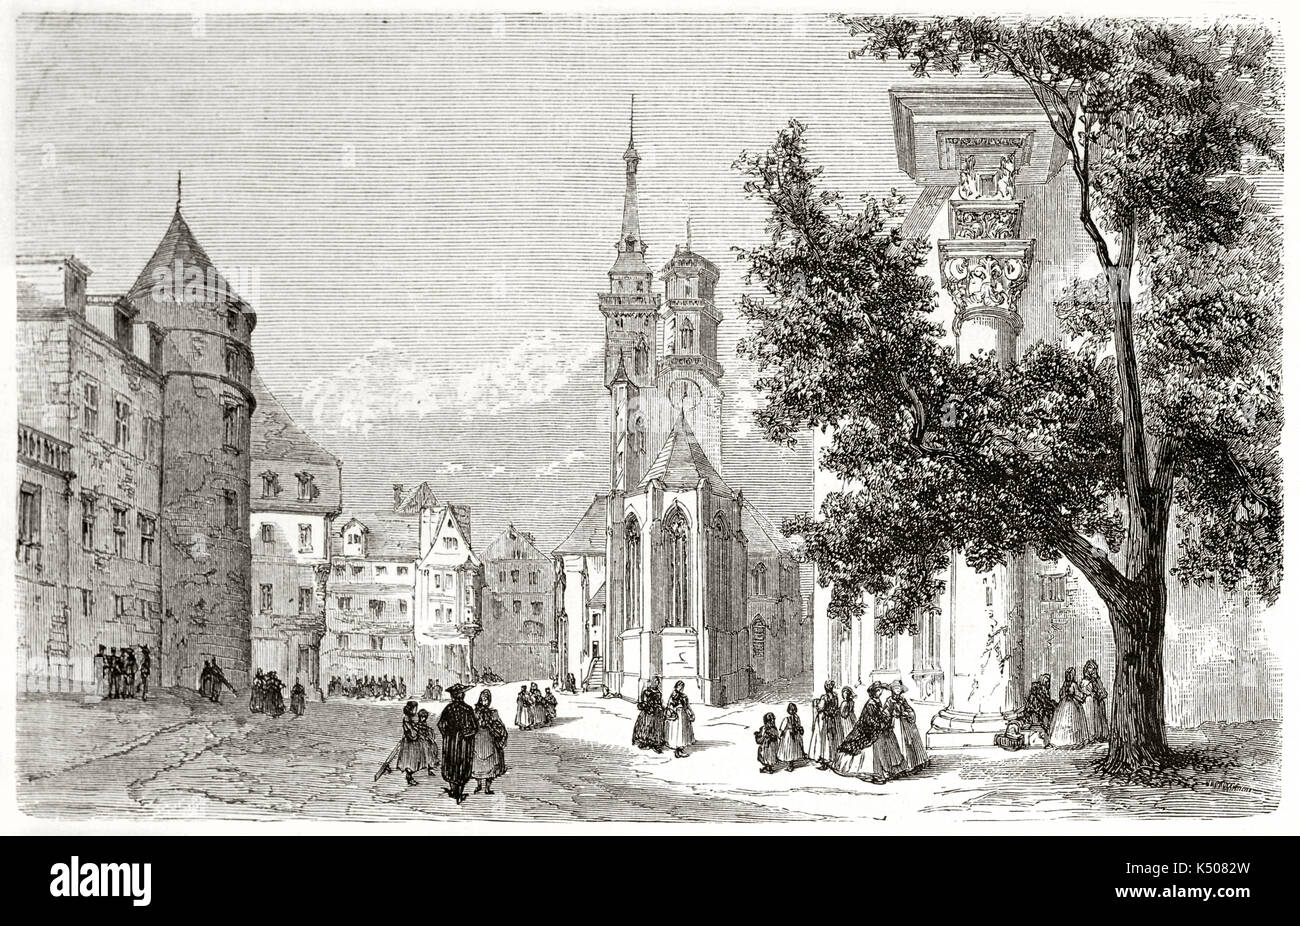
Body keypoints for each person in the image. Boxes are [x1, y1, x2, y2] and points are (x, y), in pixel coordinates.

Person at [836, 681, 904, 784]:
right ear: (874, 692)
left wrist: (884, 719)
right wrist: (879, 723)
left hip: (875, 727)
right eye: (878, 690)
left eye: (880, 690)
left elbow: (879, 715)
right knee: (866, 747)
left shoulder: (877, 701)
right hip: (867, 728)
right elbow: (870, 719)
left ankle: (887, 771)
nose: (880, 692)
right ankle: (875, 773)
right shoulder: (871, 703)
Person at [437, 683, 479, 804]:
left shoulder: (449, 708)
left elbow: (441, 725)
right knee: (461, 765)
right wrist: (467, 734)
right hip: (463, 743)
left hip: (452, 742)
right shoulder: (467, 709)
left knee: (452, 764)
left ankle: (454, 791)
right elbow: (475, 727)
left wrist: (447, 735)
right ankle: (458, 793)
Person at [377, 701, 426, 786]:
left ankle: (409, 776)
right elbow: (410, 732)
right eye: (415, 709)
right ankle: (409, 777)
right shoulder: (407, 719)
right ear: (410, 709)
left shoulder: (411, 718)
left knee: (412, 760)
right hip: (409, 742)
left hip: (412, 742)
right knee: (409, 760)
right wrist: (416, 732)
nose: (416, 711)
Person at [886, 680, 929, 774]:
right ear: (892, 690)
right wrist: (891, 714)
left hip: (904, 723)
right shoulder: (889, 700)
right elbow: (886, 712)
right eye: (895, 688)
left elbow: (909, 709)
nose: (897, 690)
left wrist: (906, 713)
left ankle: (910, 764)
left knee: (907, 742)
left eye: (899, 688)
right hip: (895, 723)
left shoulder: (902, 699)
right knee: (897, 742)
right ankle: (899, 766)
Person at [471, 689, 509, 795]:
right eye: (483, 700)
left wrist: (493, 725)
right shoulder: (475, 712)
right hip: (478, 739)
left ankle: (487, 787)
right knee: (478, 763)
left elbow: (500, 725)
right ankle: (478, 785)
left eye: (487, 700)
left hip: (489, 739)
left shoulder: (493, 712)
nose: (485, 702)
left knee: (490, 763)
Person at [1049, 667, 1088, 748]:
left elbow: (1062, 695)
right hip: (1070, 705)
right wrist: (1082, 696)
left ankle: (1068, 741)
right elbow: (1077, 694)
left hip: (1067, 705)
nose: (1070, 676)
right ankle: (1070, 741)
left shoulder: (1067, 685)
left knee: (1069, 722)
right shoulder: (1072, 684)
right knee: (1070, 722)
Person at [809, 680, 843, 770]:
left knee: (823, 739)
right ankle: (831, 759)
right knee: (831, 738)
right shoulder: (835, 696)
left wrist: (816, 704)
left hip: (824, 719)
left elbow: (820, 708)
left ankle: (824, 761)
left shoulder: (824, 697)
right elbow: (836, 707)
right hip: (832, 719)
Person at [632, 678, 666, 752]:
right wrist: (648, 707)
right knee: (646, 726)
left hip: (657, 712)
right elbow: (644, 701)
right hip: (648, 711)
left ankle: (655, 743)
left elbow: (659, 702)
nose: (656, 684)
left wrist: (661, 707)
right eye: (655, 682)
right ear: (652, 683)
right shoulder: (647, 691)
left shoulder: (658, 692)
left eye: (658, 683)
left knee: (656, 727)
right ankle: (645, 742)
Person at [664, 680, 696, 758]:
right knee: (677, 732)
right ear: (676, 686)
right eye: (680, 686)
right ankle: (677, 751)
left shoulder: (684, 696)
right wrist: (673, 711)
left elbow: (687, 706)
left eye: (682, 687)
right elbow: (670, 705)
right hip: (677, 716)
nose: (681, 688)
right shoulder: (674, 695)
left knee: (683, 732)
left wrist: (691, 713)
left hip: (683, 715)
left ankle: (680, 749)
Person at [1081, 659, 1109, 744]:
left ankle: (1101, 735)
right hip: (1090, 702)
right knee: (1091, 718)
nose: (1092, 670)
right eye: (1090, 668)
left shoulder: (1097, 679)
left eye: (1093, 668)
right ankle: (1092, 736)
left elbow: (1103, 692)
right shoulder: (1085, 681)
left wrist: (1100, 695)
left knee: (1100, 718)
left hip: (1098, 702)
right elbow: (1084, 691)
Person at [777, 702, 810, 771]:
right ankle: (790, 764)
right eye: (792, 710)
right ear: (789, 710)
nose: (793, 711)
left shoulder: (796, 718)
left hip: (793, 736)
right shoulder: (787, 719)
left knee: (792, 749)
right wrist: (780, 735)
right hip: (789, 736)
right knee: (789, 749)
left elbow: (798, 726)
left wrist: (799, 730)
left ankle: (790, 764)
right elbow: (782, 729)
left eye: (794, 709)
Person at [1023, 673, 1057, 738]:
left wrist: (1053, 704)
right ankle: (1047, 730)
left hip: (1041, 707)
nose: (1048, 684)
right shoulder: (1039, 692)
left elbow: (1046, 701)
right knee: (1046, 713)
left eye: (1049, 682)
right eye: (1047, 682)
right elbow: (1042, 702)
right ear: (1043, 682)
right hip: (1036, 709)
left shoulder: (1045, 691)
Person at [416, 709, 439, 774]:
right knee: (428, 749)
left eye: (424, 717)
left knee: (433, 748)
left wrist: (430, 737)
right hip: (420, 741)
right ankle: (428, 767)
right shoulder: (417, 725)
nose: (423, 718)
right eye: (421, 717)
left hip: (426, 740)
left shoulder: (425, 725)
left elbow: (428, 732)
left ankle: (430, 767)